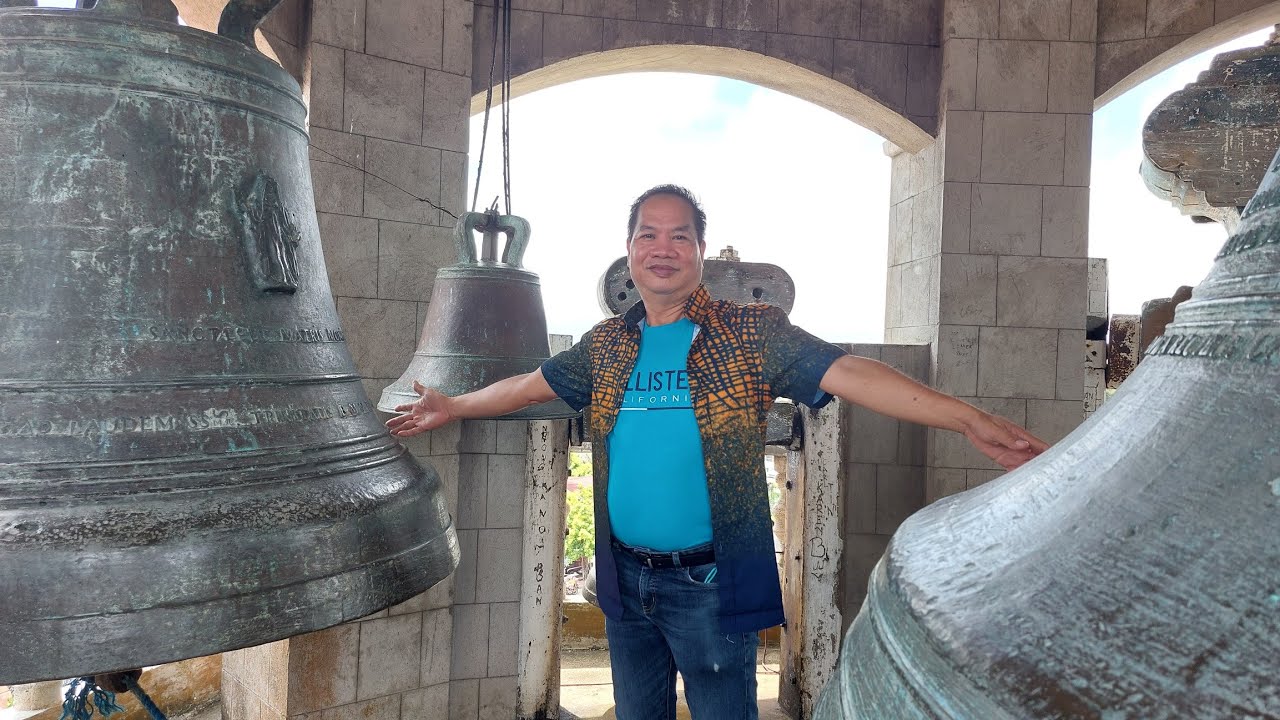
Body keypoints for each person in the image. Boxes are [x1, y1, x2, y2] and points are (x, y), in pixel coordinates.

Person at [386, 184, 1049, 720]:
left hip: (710, 583)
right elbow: (529, 384)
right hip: (624, 582)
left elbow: (851, 372)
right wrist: (454, 405)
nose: (663, 248)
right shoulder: (606, 344)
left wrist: (967, 419)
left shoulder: (749, 333)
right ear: (629, 251)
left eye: (680, 235)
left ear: (701, 251)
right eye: (648, 234)